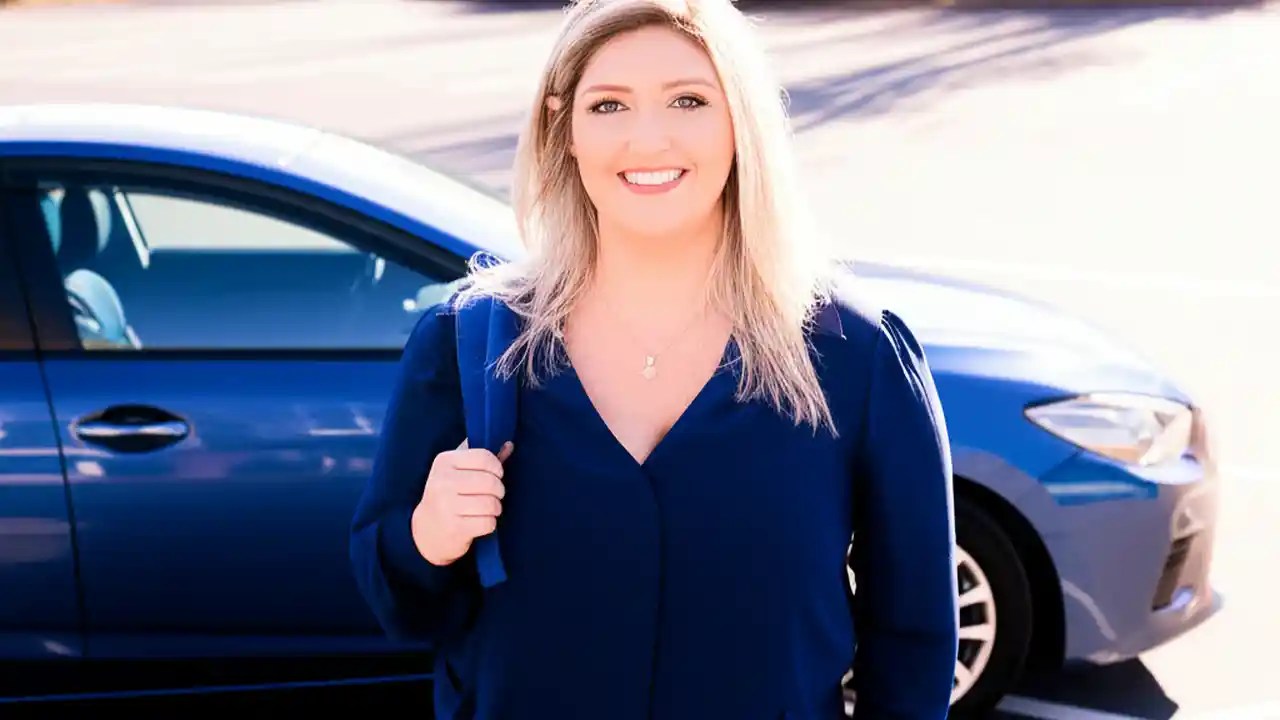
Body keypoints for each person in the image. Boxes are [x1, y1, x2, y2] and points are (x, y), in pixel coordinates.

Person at [348, 0, 959, 718]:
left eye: (688, 100)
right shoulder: (468, 345)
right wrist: (430, 535)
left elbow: (913, 640)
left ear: (741, 123)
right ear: (562, 128)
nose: (647, 138)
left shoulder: (855, 355)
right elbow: (403, 610)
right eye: (608, 105)